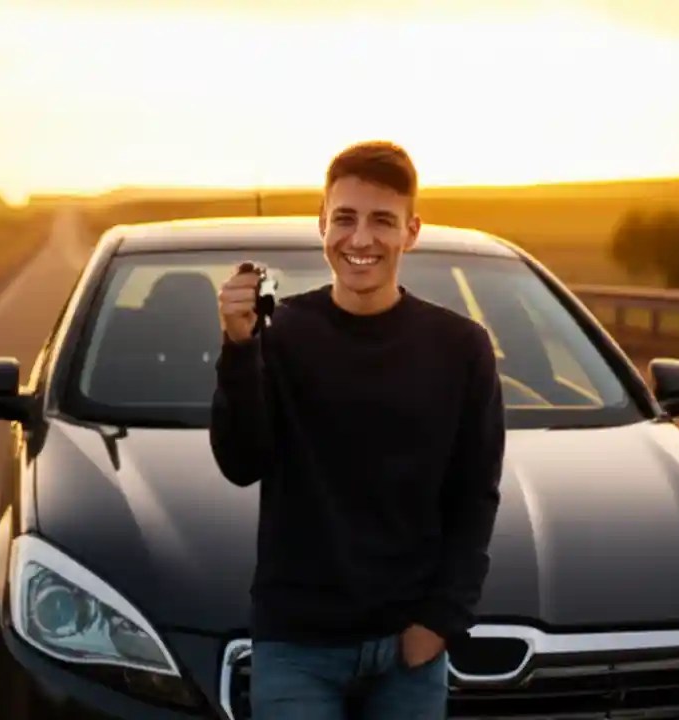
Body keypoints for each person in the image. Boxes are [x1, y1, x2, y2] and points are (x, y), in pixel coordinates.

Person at [208, 140, 507, 719]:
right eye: (344, 218)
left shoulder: (461, 348)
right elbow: (240, 463)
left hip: (408, 652)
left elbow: (475, 497)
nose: (361, 239)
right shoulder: (281, 334)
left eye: (382, 221)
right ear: (322, 225)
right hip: (296, 647)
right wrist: (238, 348)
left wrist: (439, 624)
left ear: (411, 232)